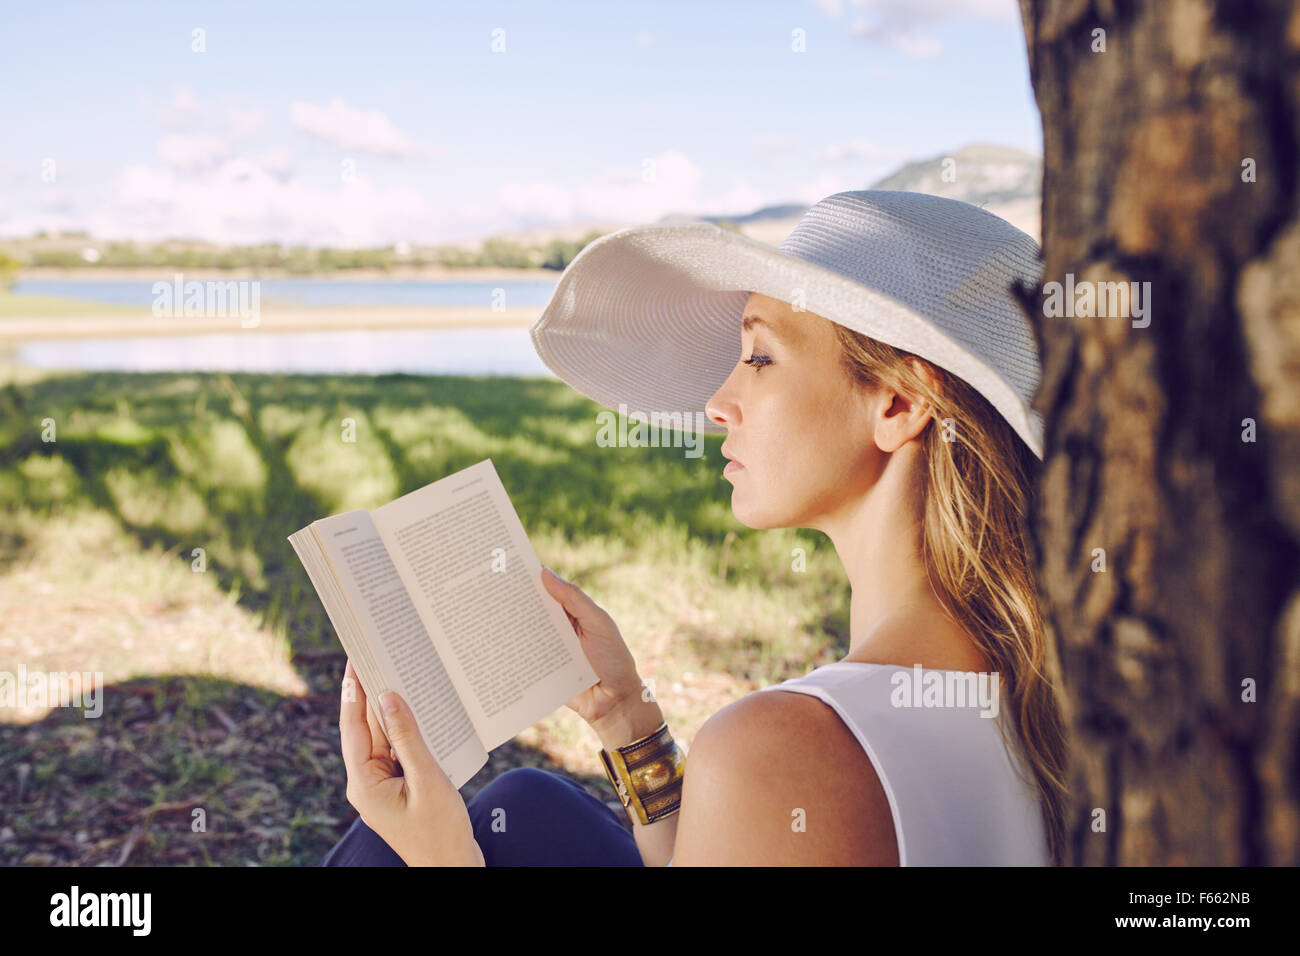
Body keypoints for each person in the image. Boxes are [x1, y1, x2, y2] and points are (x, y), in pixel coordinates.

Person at [321, 189, 1070, 867]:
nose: (718, 402)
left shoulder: (782, 751)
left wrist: (442, 860)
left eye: (761, 356)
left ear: (900, 405)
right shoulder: (1056, 687)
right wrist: (627, 719)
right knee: (532, 806)